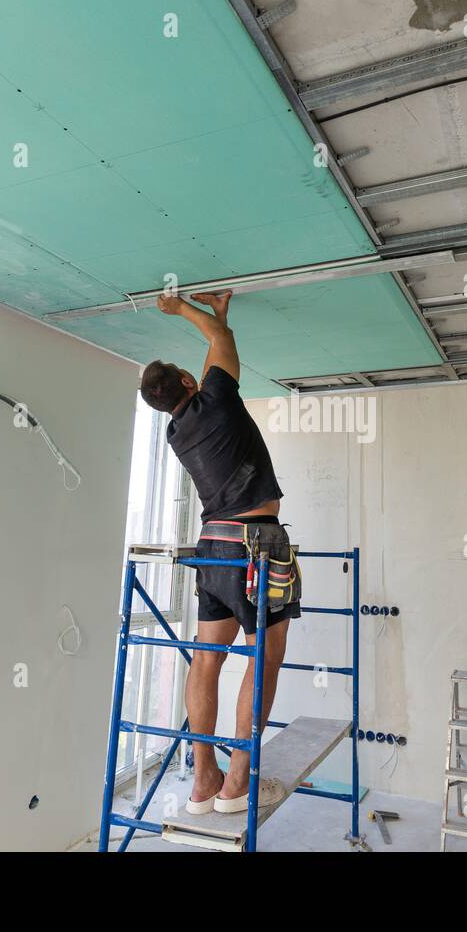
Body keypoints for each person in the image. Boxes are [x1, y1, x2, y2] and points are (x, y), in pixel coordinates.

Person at [138, 289, 301, 815]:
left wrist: (219, 317)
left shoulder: (178, 430)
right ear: (191, 383)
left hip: (215, 548)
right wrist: (183, 308)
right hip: (257, 544)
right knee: (266, 657)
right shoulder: (219, 401)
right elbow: (220, 342)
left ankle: (203, 779)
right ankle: (237, 783)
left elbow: (216, 346)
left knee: (207, 660)